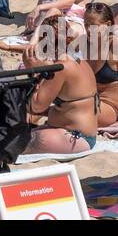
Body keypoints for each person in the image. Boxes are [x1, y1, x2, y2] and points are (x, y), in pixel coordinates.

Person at [19, 16, 99, 154]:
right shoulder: (76, 59)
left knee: (15, 144)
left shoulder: (61, 67)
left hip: (76, 136)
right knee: (15, 138)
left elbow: (37, 106)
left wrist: (32, 71)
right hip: (76, 133)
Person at [83, 3, 118, 128]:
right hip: (84, 102)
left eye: (94, 26)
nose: (88, 30)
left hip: (107, 109)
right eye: (86, 25)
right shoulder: (83, 43)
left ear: (108, 25)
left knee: (69, 109)